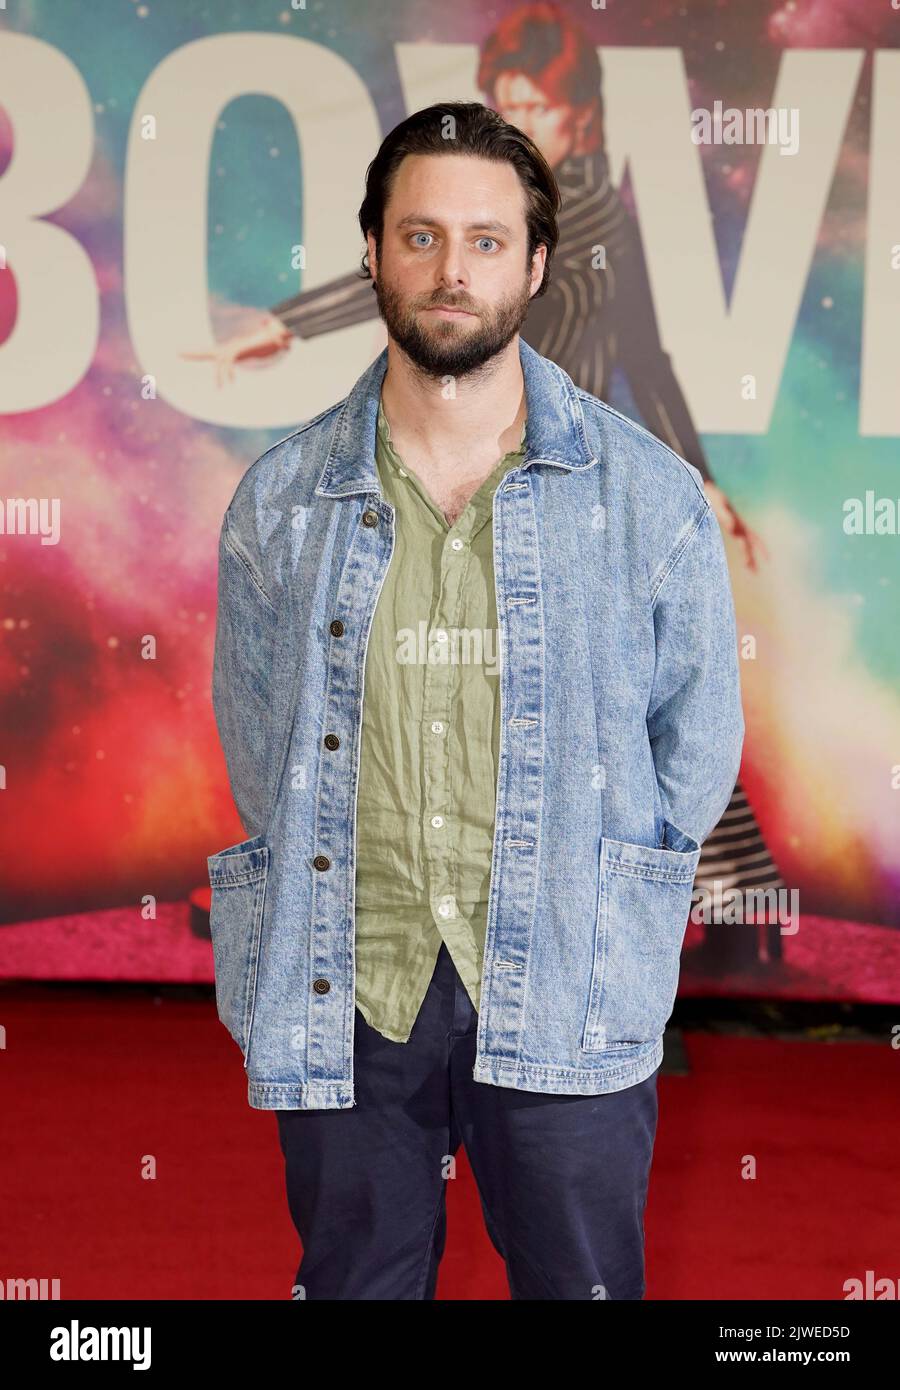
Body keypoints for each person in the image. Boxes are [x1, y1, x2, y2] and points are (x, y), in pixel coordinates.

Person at [208, 100, 745, 1300]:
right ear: (372, 252)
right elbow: (260, 746)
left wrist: (598, 908)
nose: (454, 271)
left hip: (565, 984)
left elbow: (694, 749)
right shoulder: (281, 502)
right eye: (422, 236)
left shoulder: (648, 499)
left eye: (488, 241)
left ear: (538, 262)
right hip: (348, 983)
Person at [194, 4, 782, 971]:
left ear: (581, 120)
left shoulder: (588, 214)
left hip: (581, 494)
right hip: (490, 481)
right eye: (509, 102)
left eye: (541, 107)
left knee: (627, 722)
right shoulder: (465, 245)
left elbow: (648, 357)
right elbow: (418, 267)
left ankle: (692, 926)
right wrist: (290, 323)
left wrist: (700, 484)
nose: (457, 267)